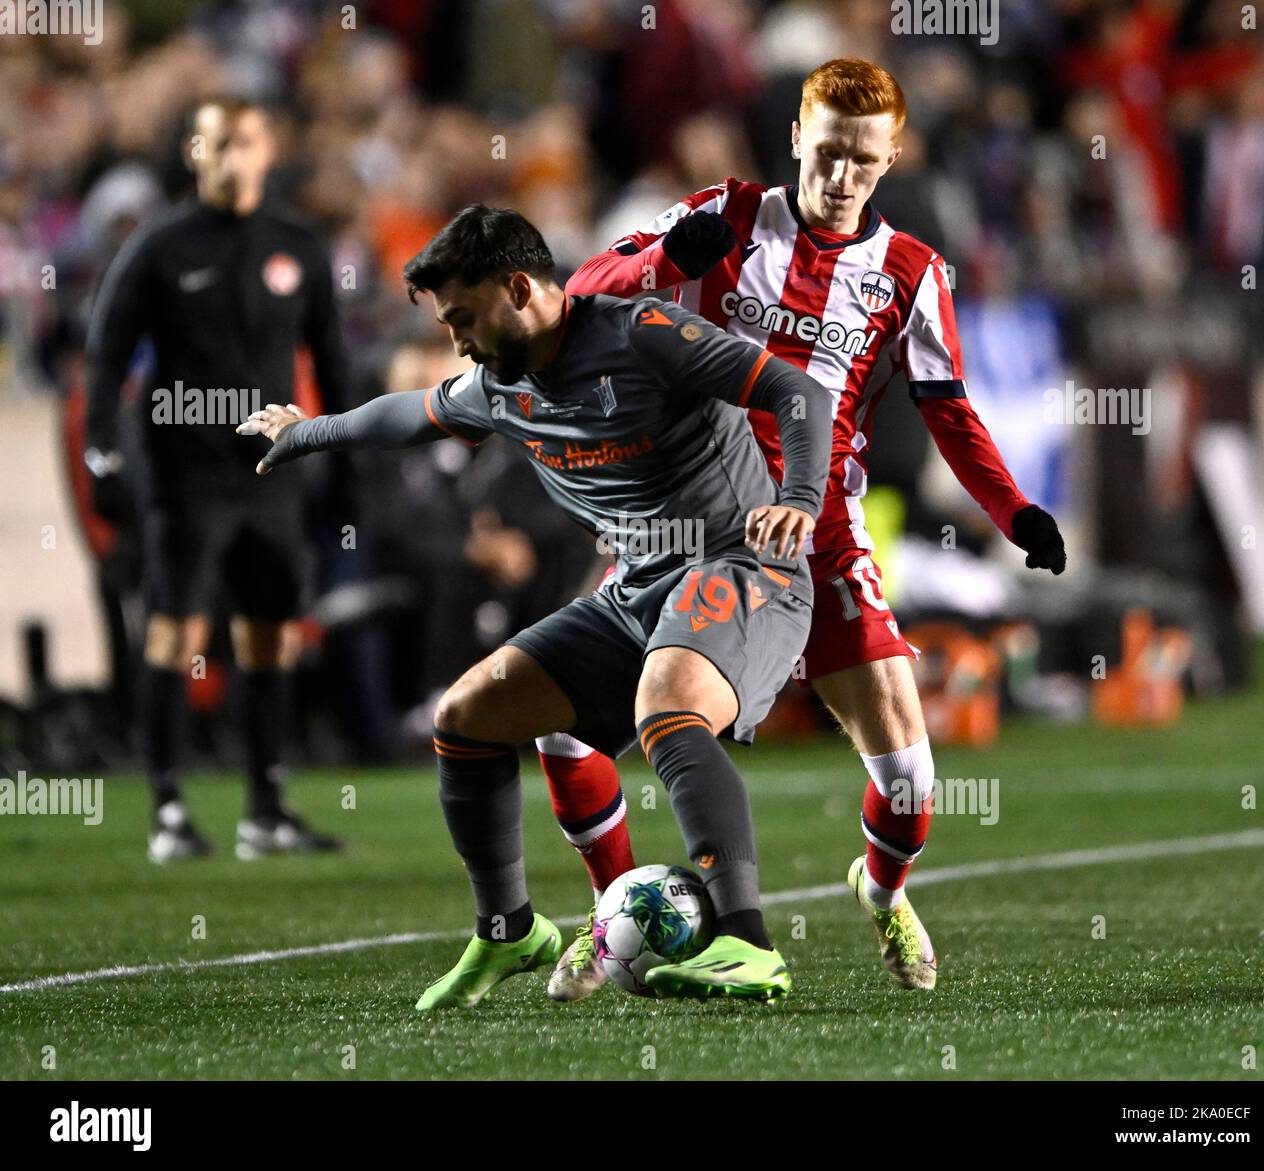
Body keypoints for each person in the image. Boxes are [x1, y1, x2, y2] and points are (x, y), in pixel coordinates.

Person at [539, 57, 1067, 999]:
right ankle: (611, 906)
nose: (842, 177)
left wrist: (1013, 510)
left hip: (818, 531)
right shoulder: (729, 214)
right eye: (827, 153)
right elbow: (581, 290)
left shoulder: (912, 273)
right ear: (795, 137)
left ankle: (883, 886)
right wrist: (669, 259)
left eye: (864, 161)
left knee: (908, 775)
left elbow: (950, 410)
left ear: (893, 155)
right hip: (687, 517)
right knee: (568, 729)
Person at [237, 204, 834, 1004]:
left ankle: (748, 942)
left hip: (741, 568)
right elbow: (406, 416)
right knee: (469, 714)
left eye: (463, 318)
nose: (456, 341)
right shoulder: (496, 385)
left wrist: (798, 494)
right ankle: (509, 931)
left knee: (668, 704)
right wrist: (308, 431)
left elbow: (791, 389)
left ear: (520, 288)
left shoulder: (644, 334)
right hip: (637, 592)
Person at [85, 100, 348, 862]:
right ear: (197, 151)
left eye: (250, 142)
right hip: (182, 471)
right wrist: (104, 453)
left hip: (270, 469)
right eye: (222, 143)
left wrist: (345, 463)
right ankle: (167, 805)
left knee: (271, 635)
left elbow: (330, 362)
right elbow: (106, 355)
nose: (237, 157)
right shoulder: (159, 246)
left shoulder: (298, 246)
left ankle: (264, 807)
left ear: (270, 151)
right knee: (178, 631)